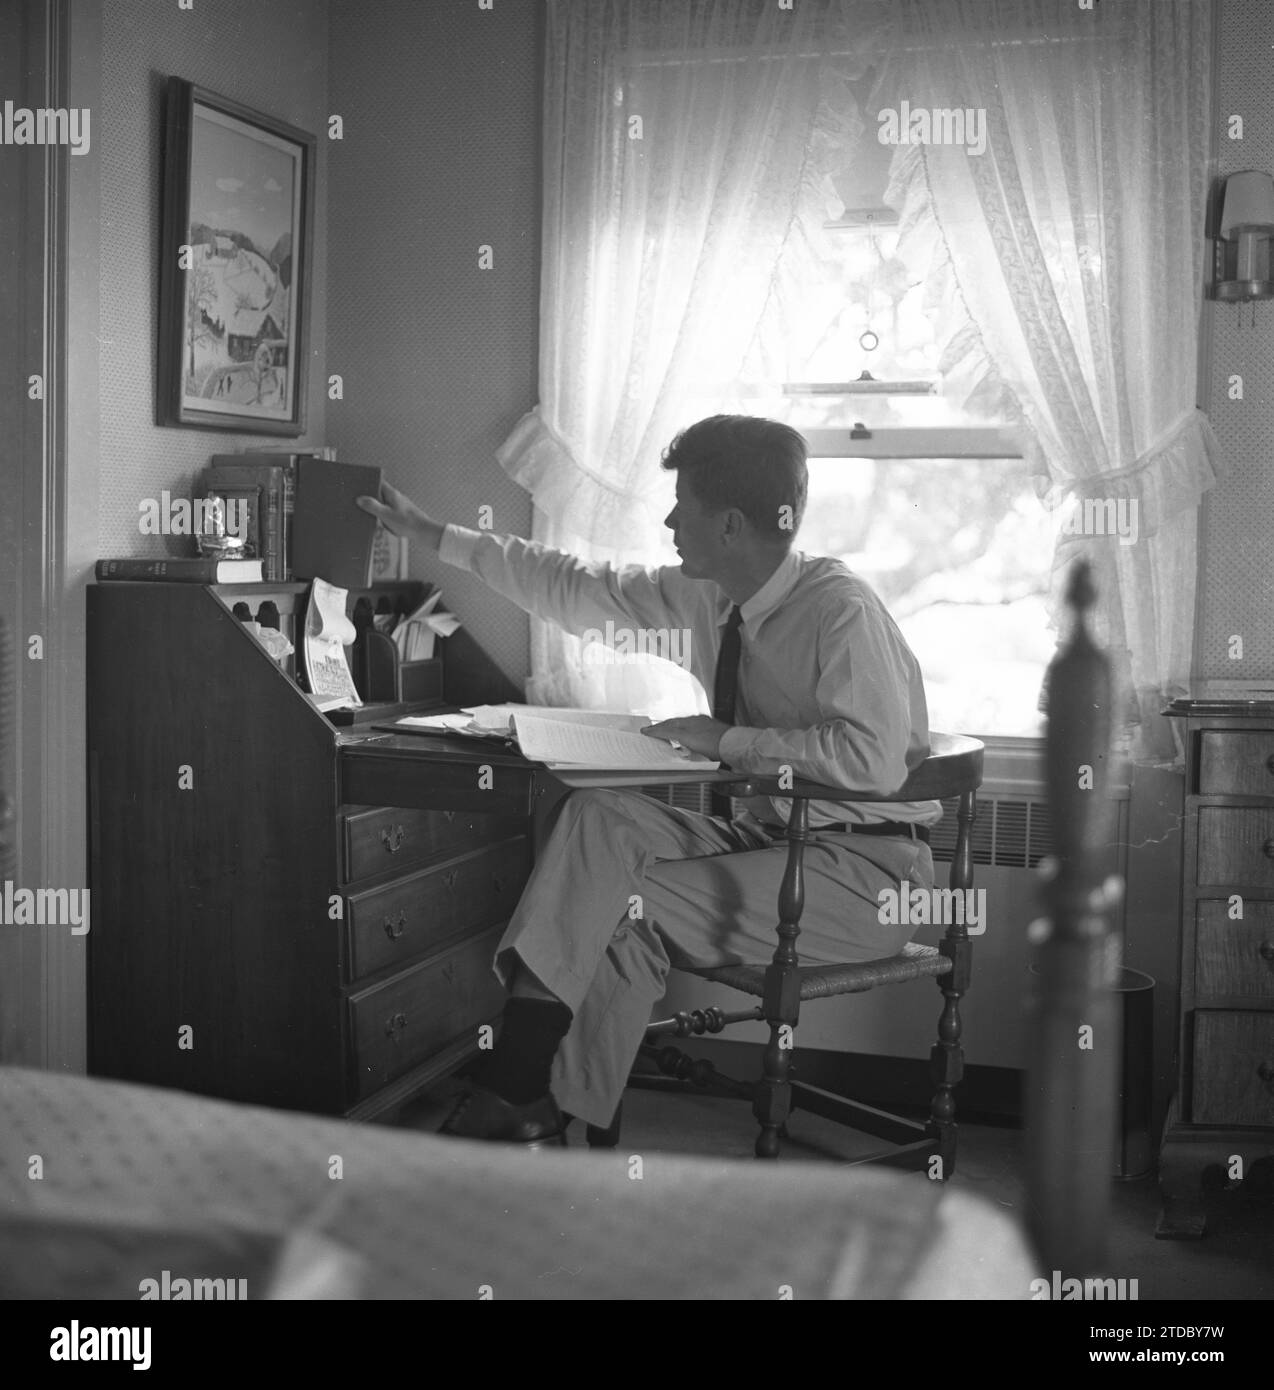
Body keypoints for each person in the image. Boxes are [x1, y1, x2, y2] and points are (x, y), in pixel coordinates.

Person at [357, 415, 940, 1145]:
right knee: (599, 820)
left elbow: (873, 760)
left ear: (729, 524)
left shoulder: (840, 611)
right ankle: (539, 1101)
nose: (668, 519)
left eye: (682, 505)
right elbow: (576, 586)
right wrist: (435, 535)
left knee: (618, 902)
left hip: (869, 878)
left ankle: (519, 1089)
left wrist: (727, 741)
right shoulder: (709, 598)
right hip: (778, 845)